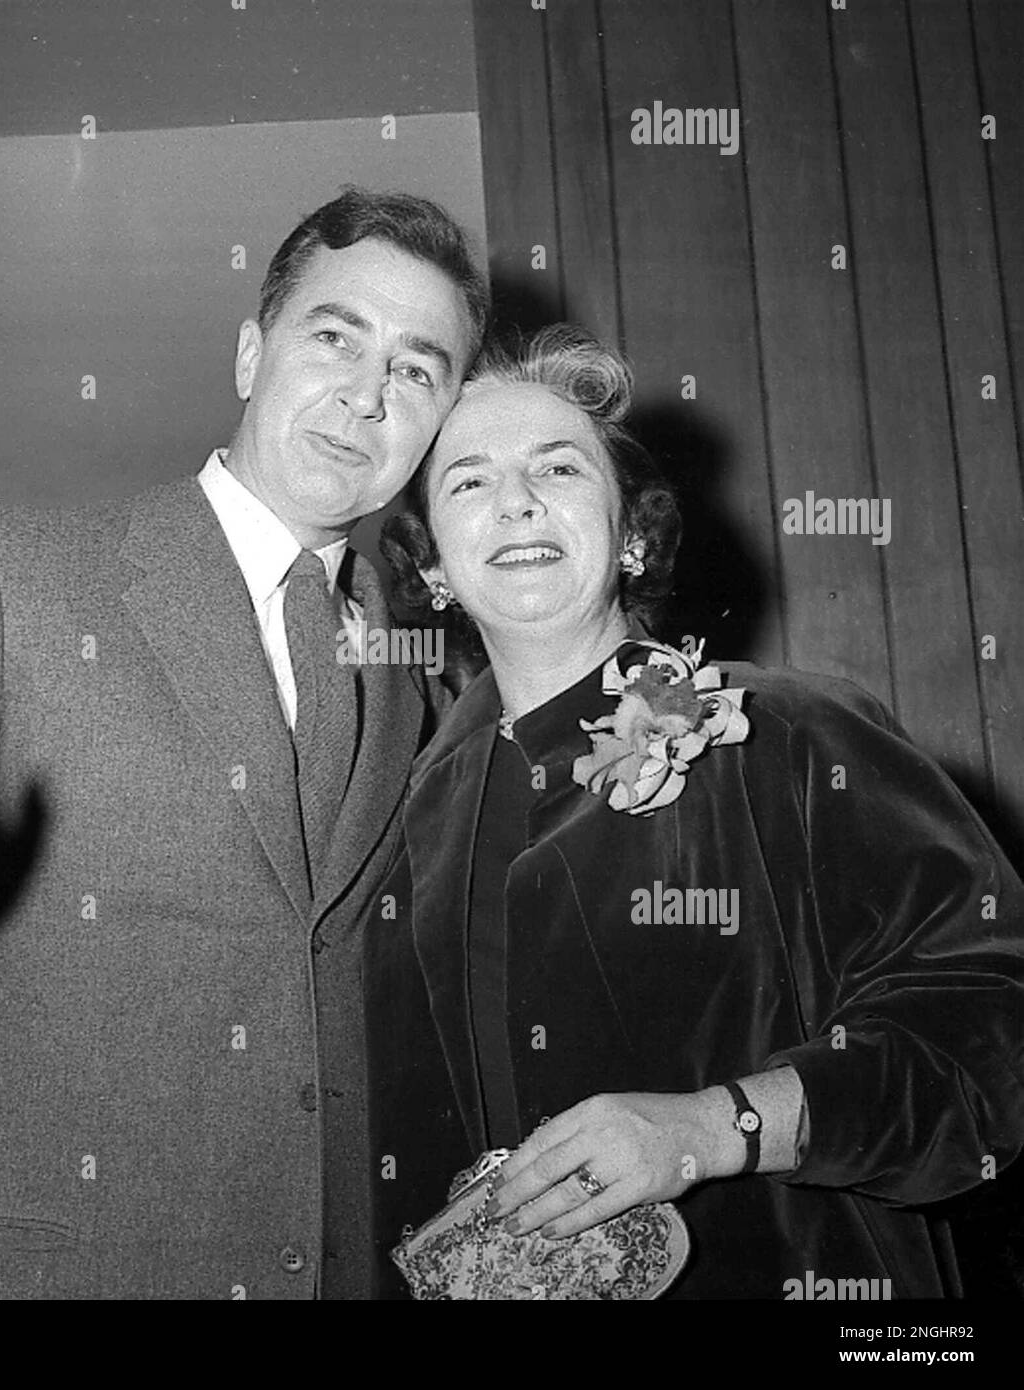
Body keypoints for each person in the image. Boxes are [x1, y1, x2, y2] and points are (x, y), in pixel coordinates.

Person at [0, 188, 488, 1299]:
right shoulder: (19, 579)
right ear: (250, 353)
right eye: (335, 337)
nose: (365, 394)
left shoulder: (418, 682)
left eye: (416, 369)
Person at [368, 323, 1024, 1298]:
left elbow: (995, 1031)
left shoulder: (788, 732)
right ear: (429, 566)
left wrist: (715, 1128)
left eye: (556, 467)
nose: (514, 501)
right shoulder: (399, 834)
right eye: (466, 480)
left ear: (631, 533)